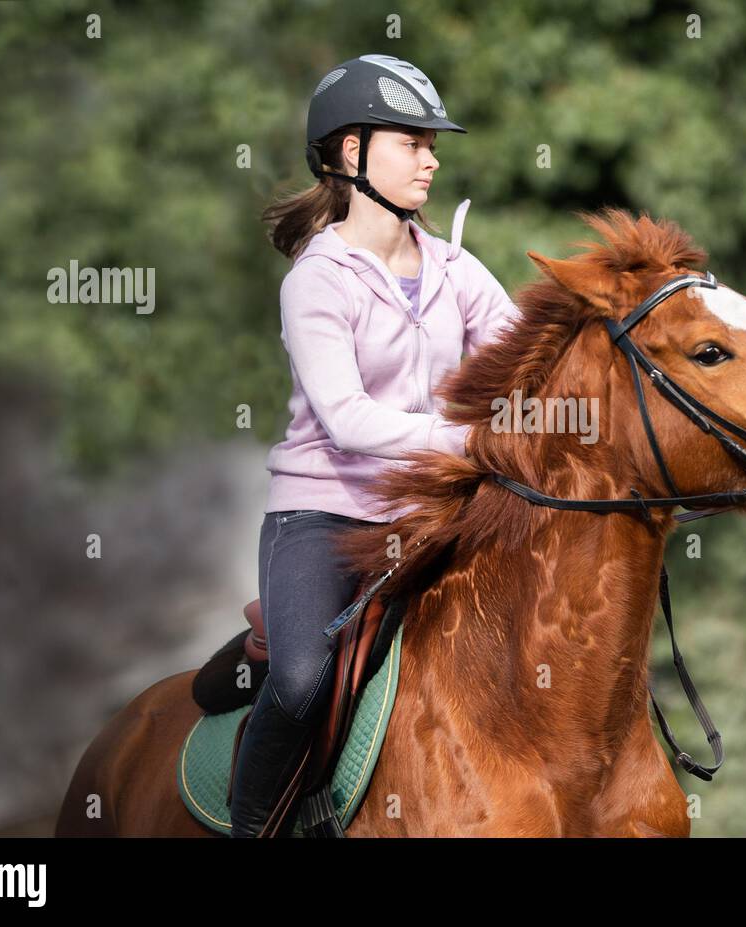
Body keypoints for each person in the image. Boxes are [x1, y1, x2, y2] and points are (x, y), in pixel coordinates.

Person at [229, 53, 521, 837]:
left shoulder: (459, 271)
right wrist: (474, 437)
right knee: (299, 679)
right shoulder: (316, 280)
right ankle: (252, 825)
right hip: (323, 518)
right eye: (412, 141)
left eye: (433, 144)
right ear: (350, 154)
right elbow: (349, 422)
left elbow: (523, 366)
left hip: (432, 509)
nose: (431, 158)